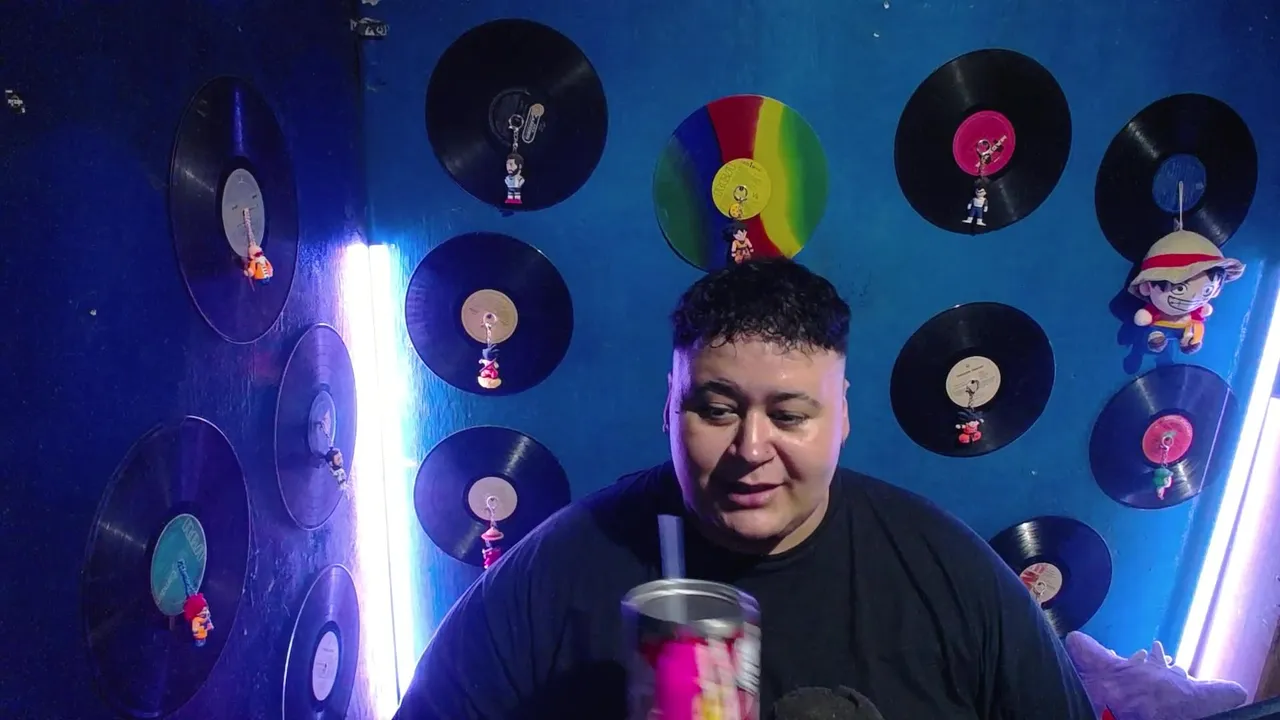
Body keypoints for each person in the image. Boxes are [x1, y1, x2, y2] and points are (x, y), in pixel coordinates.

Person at [393, 258, 1094, 720]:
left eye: (789, 416)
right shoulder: (553, 575)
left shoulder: (949, 576)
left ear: (842, 416)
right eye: (717, 409)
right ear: (670, 407)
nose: (751, 450)